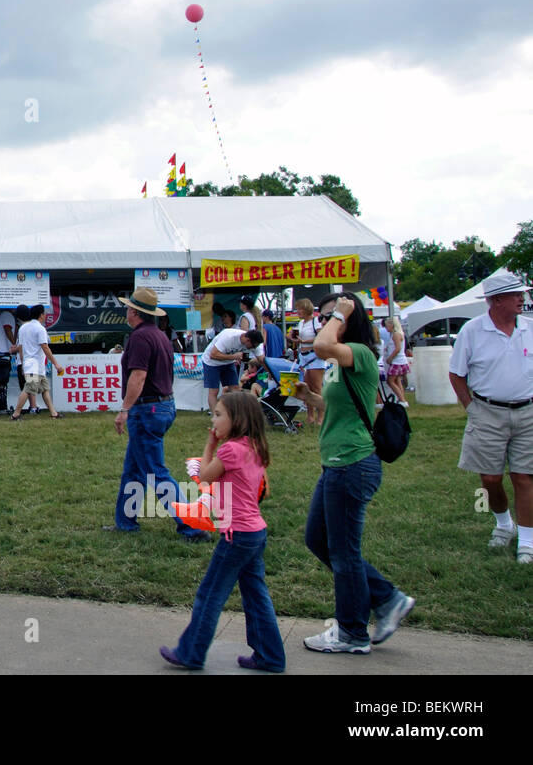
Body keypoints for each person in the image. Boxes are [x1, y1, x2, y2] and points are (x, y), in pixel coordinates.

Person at [303, 292, 414, 654]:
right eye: (322, 317)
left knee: (343, 552)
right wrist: (311, 398)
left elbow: (321, 345)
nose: (323, 323)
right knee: (318, 539)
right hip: (338, 464)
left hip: (352, 464)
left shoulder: (360, 353)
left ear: (347, 318)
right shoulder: (344, 359)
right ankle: (386, 598)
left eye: (329, 316)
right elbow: (347, 404)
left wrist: (342, 311)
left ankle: (352, 632)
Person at [160, 391, 285, 672]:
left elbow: (203, 475)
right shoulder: (256, 446)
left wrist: (210, 443)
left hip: (236, 535)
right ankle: (270, 655)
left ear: (237, 419)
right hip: (255, 532)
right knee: (256, 595)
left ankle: (191, 652)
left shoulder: (230, 450)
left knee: (210, 595)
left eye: (218, 415)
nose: (213, 419)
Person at [447, 272, 533, 564]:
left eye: (522, 294)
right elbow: (456, 374)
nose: (522, 298)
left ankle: (527, 541)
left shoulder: (530, 328)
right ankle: (503, 524)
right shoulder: (472, 331)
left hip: (528, 412)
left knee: (524, 477)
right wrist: (471, 408)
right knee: (490, 478)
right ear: (496, 300)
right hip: (487, 411)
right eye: (516, 294)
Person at [108, 287, 206, 540]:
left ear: (134, 312)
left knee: (154, 471)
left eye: (128, 308)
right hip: (162, 405)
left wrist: (124, 410)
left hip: (146, 409)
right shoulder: (160, 336)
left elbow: (138, 376)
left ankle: (193, 524)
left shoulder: (139, 339)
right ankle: (125, 522)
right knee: (134, 470)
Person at [9, 303, 62, 420]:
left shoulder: (23, 328)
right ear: (41, 315)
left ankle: (54, 413)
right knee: (29, 389)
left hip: (29, 364)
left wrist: (23, 364)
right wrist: (56, 364)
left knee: (44, 389)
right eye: (44, 313)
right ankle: (16, 414)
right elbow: (45, 347)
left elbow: (21, 348)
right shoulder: (40, 329)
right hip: (35, 365)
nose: (45, 316)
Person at [201, 326, 265, 413]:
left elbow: (262, 360)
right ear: (247, 340)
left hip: (228, 362)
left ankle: (236, 415)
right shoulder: (229, 337)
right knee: (214, 391)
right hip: (211, 362)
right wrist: (233, 357)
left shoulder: (254, 344)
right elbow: (213, 354)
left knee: (235, 389)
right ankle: (216, 418)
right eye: (253, 346)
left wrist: (271, 372)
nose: (253, 349)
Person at [293, 298, 326, 426]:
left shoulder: (316, 321)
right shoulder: (301, 323)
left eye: (300, 309)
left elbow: (321, 337)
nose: (298, 311)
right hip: (303, 356)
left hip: (314, 356)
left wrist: (304, 342)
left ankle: (321, 417)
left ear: (306, 309)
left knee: (317, 387)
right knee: (306, 387)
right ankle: (310, 416)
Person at [383, 316, 410, 403]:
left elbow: (397, 348)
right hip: (400, 361)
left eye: (387, 325)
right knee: (397, 380)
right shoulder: (399, 334)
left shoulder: (395, 335)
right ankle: (401, 399)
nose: (386, 328)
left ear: (392, 325)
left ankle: (402, 400)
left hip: (397, 361)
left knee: (390, 381)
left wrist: (390, 358)